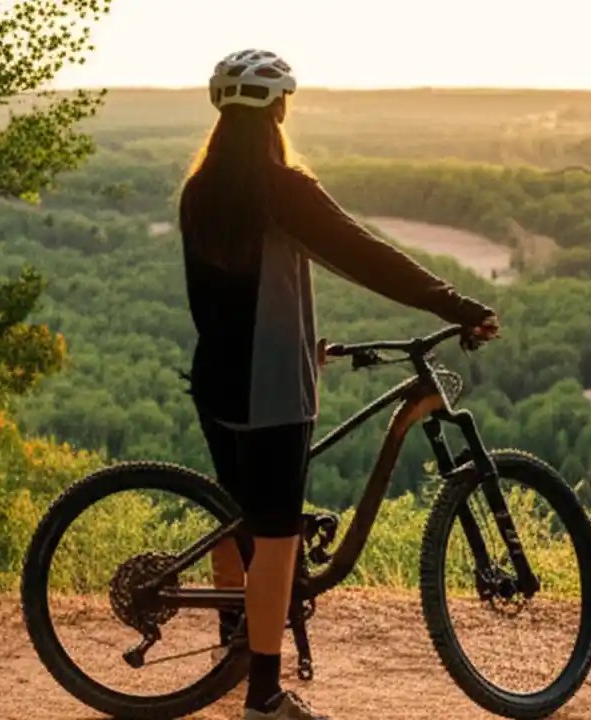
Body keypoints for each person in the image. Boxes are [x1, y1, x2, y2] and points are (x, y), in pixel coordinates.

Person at [179, 48, 500, 720]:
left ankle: (234, 651)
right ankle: (264, 697)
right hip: (268, 389)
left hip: (217, 379)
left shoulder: (201, 191)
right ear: (279, 109)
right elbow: (365, 255)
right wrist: (457, 306)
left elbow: (220, 295)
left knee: (242, 522)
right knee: (275, 536)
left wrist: (302, 340)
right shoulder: (282, 187)